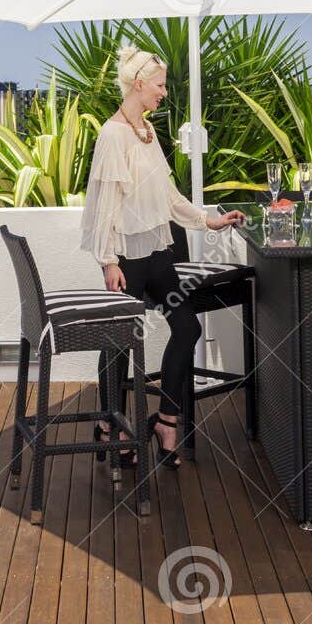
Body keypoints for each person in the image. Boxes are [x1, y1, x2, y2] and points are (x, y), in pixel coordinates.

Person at [81, 44, 245, 468]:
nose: (163, 93)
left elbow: (168, 197)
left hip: (156, 254)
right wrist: (107, 260)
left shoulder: (148, 133)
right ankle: (110, 423)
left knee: (186, 328)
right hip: (126, 258)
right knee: (119, 340)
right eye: (159, 85)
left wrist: (210, 221)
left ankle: (166, 420)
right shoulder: (112, 134)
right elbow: (103, 202)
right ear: (139, 84)